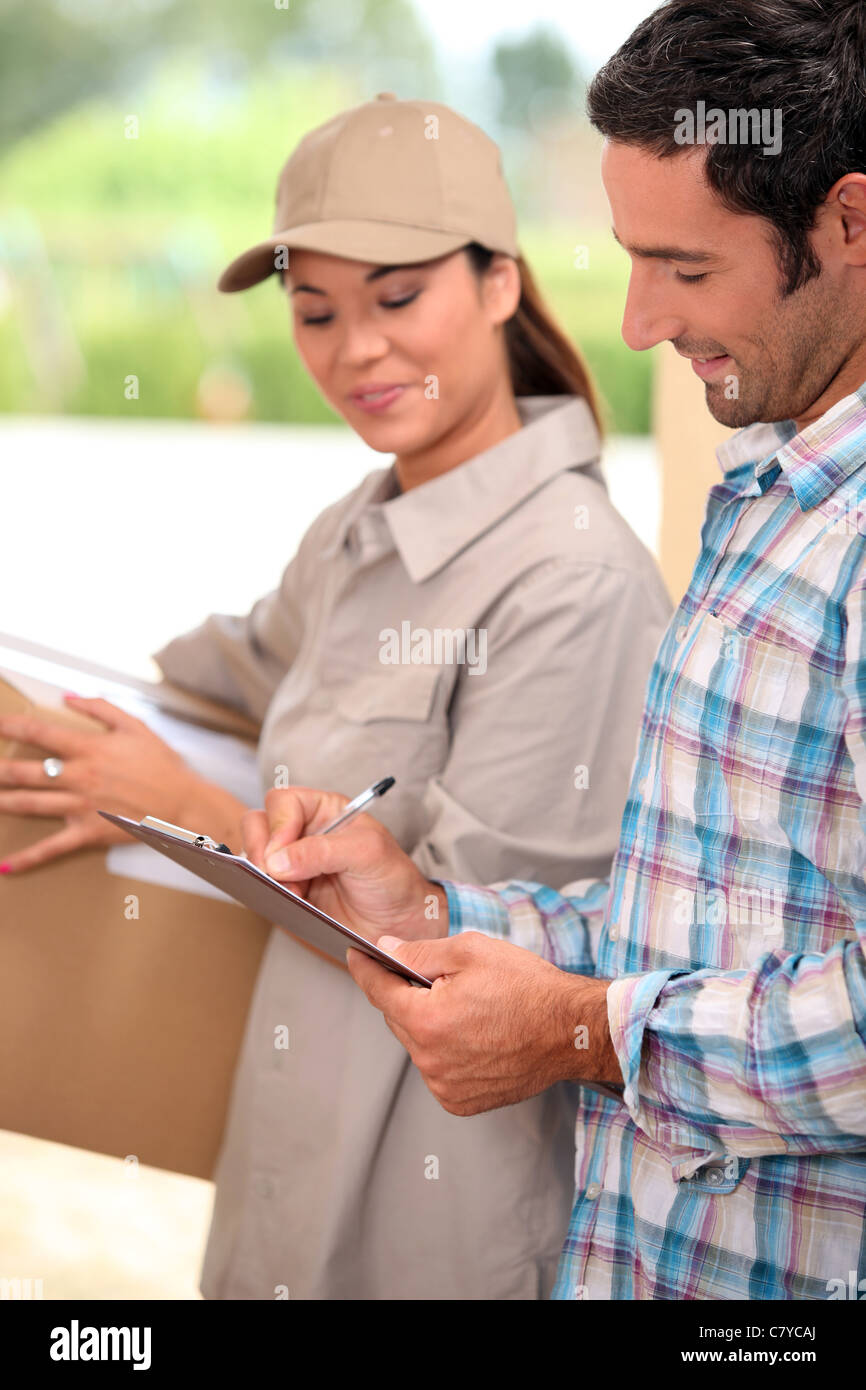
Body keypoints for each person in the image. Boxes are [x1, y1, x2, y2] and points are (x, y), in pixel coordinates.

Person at [0, 95, 672, 1298]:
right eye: (314, 311)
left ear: (502, 285)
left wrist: (176, 807)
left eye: (396, 297)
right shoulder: (359, 531)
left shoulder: (574, 581)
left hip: (438, 1203)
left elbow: (477, 946)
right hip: (284, 1165)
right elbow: (234, 666)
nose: (354, 349)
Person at [246, 0, 866, 1301]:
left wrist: (580, 1033)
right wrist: (427, 910)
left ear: (851, 226)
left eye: (686, 271)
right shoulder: (765, 500)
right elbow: (681, 918)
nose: (638, 322)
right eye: (629, 260)